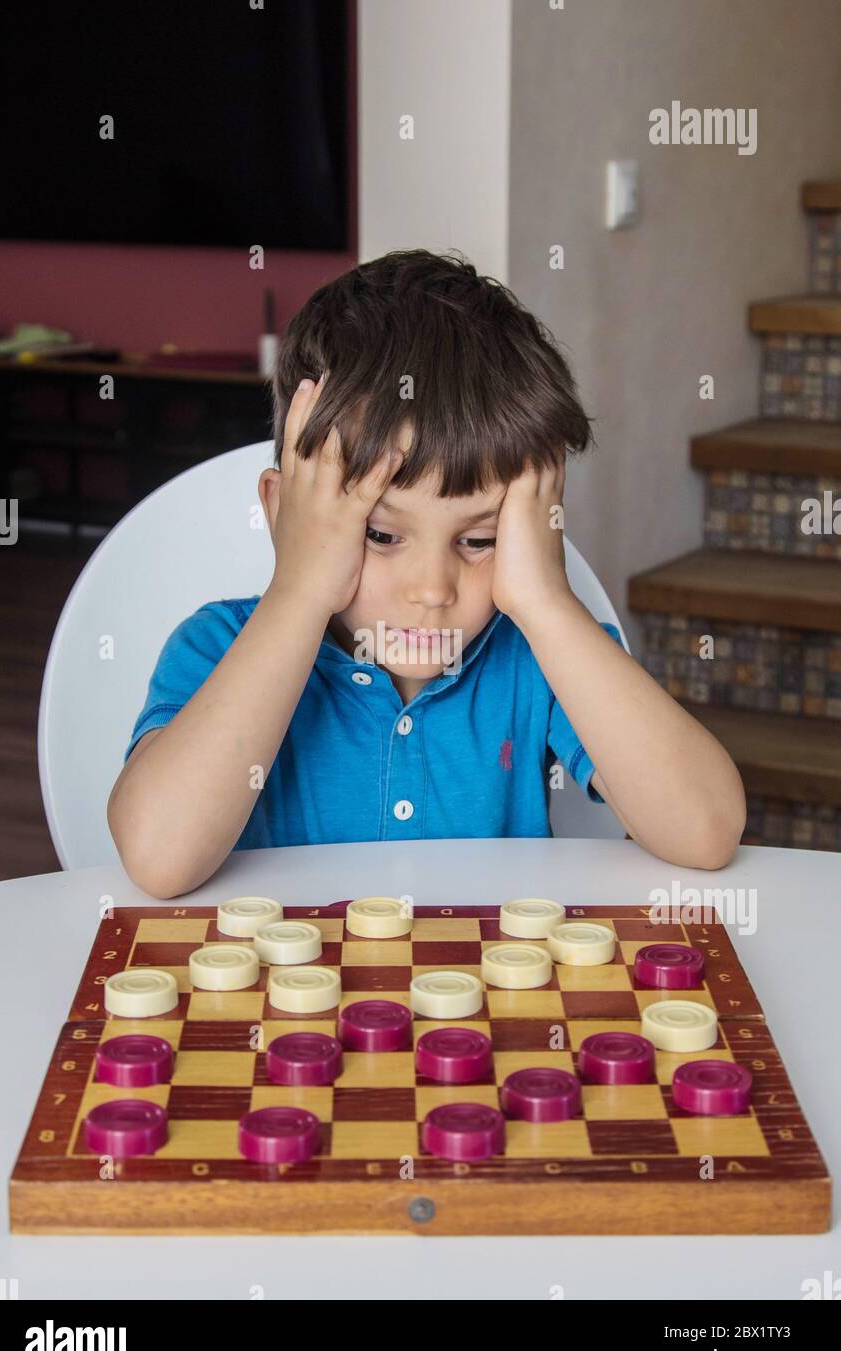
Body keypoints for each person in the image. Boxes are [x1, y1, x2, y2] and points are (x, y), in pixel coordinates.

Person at [107, 249, 746, 898]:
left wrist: (547, 603)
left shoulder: (535, 657)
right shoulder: (218, 647)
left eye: (479, 539)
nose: (432, 589)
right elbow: (160, 858)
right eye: (382, 534)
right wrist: (298, 594)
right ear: (283, 515)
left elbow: (705, 830)